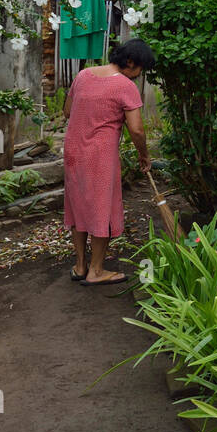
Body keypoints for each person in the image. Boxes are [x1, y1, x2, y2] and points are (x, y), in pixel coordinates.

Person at [63, 38, 154, 285]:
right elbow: (136, 130)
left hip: (73, 151)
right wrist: (144, 155)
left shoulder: (83, 75)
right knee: (102, 208)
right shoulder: (125, 86)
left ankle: (80, 266)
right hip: (99, 155)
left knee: (79, 205)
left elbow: (67, 111)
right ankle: (96, 271)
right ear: (130, 62)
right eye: (140, 69)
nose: (139, 75)